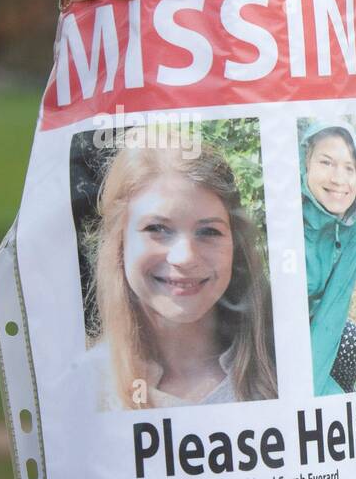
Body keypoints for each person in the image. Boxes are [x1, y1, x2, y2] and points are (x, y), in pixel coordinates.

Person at [86, 130, 277, 409]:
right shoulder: (86, 387)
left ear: (235, 244)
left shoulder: (283, 367)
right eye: (157, 228)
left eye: (209, 231)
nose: (185, 257)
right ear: (119, 241)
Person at [301, 120, 356, 395]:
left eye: (349, 168)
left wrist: (309, 395)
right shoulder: (285, 211)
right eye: (326, 163)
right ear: (306, 162)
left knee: (349, 336)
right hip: (268, 332)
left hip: (314, 323)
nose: (338, 179)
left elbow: (334, 307)